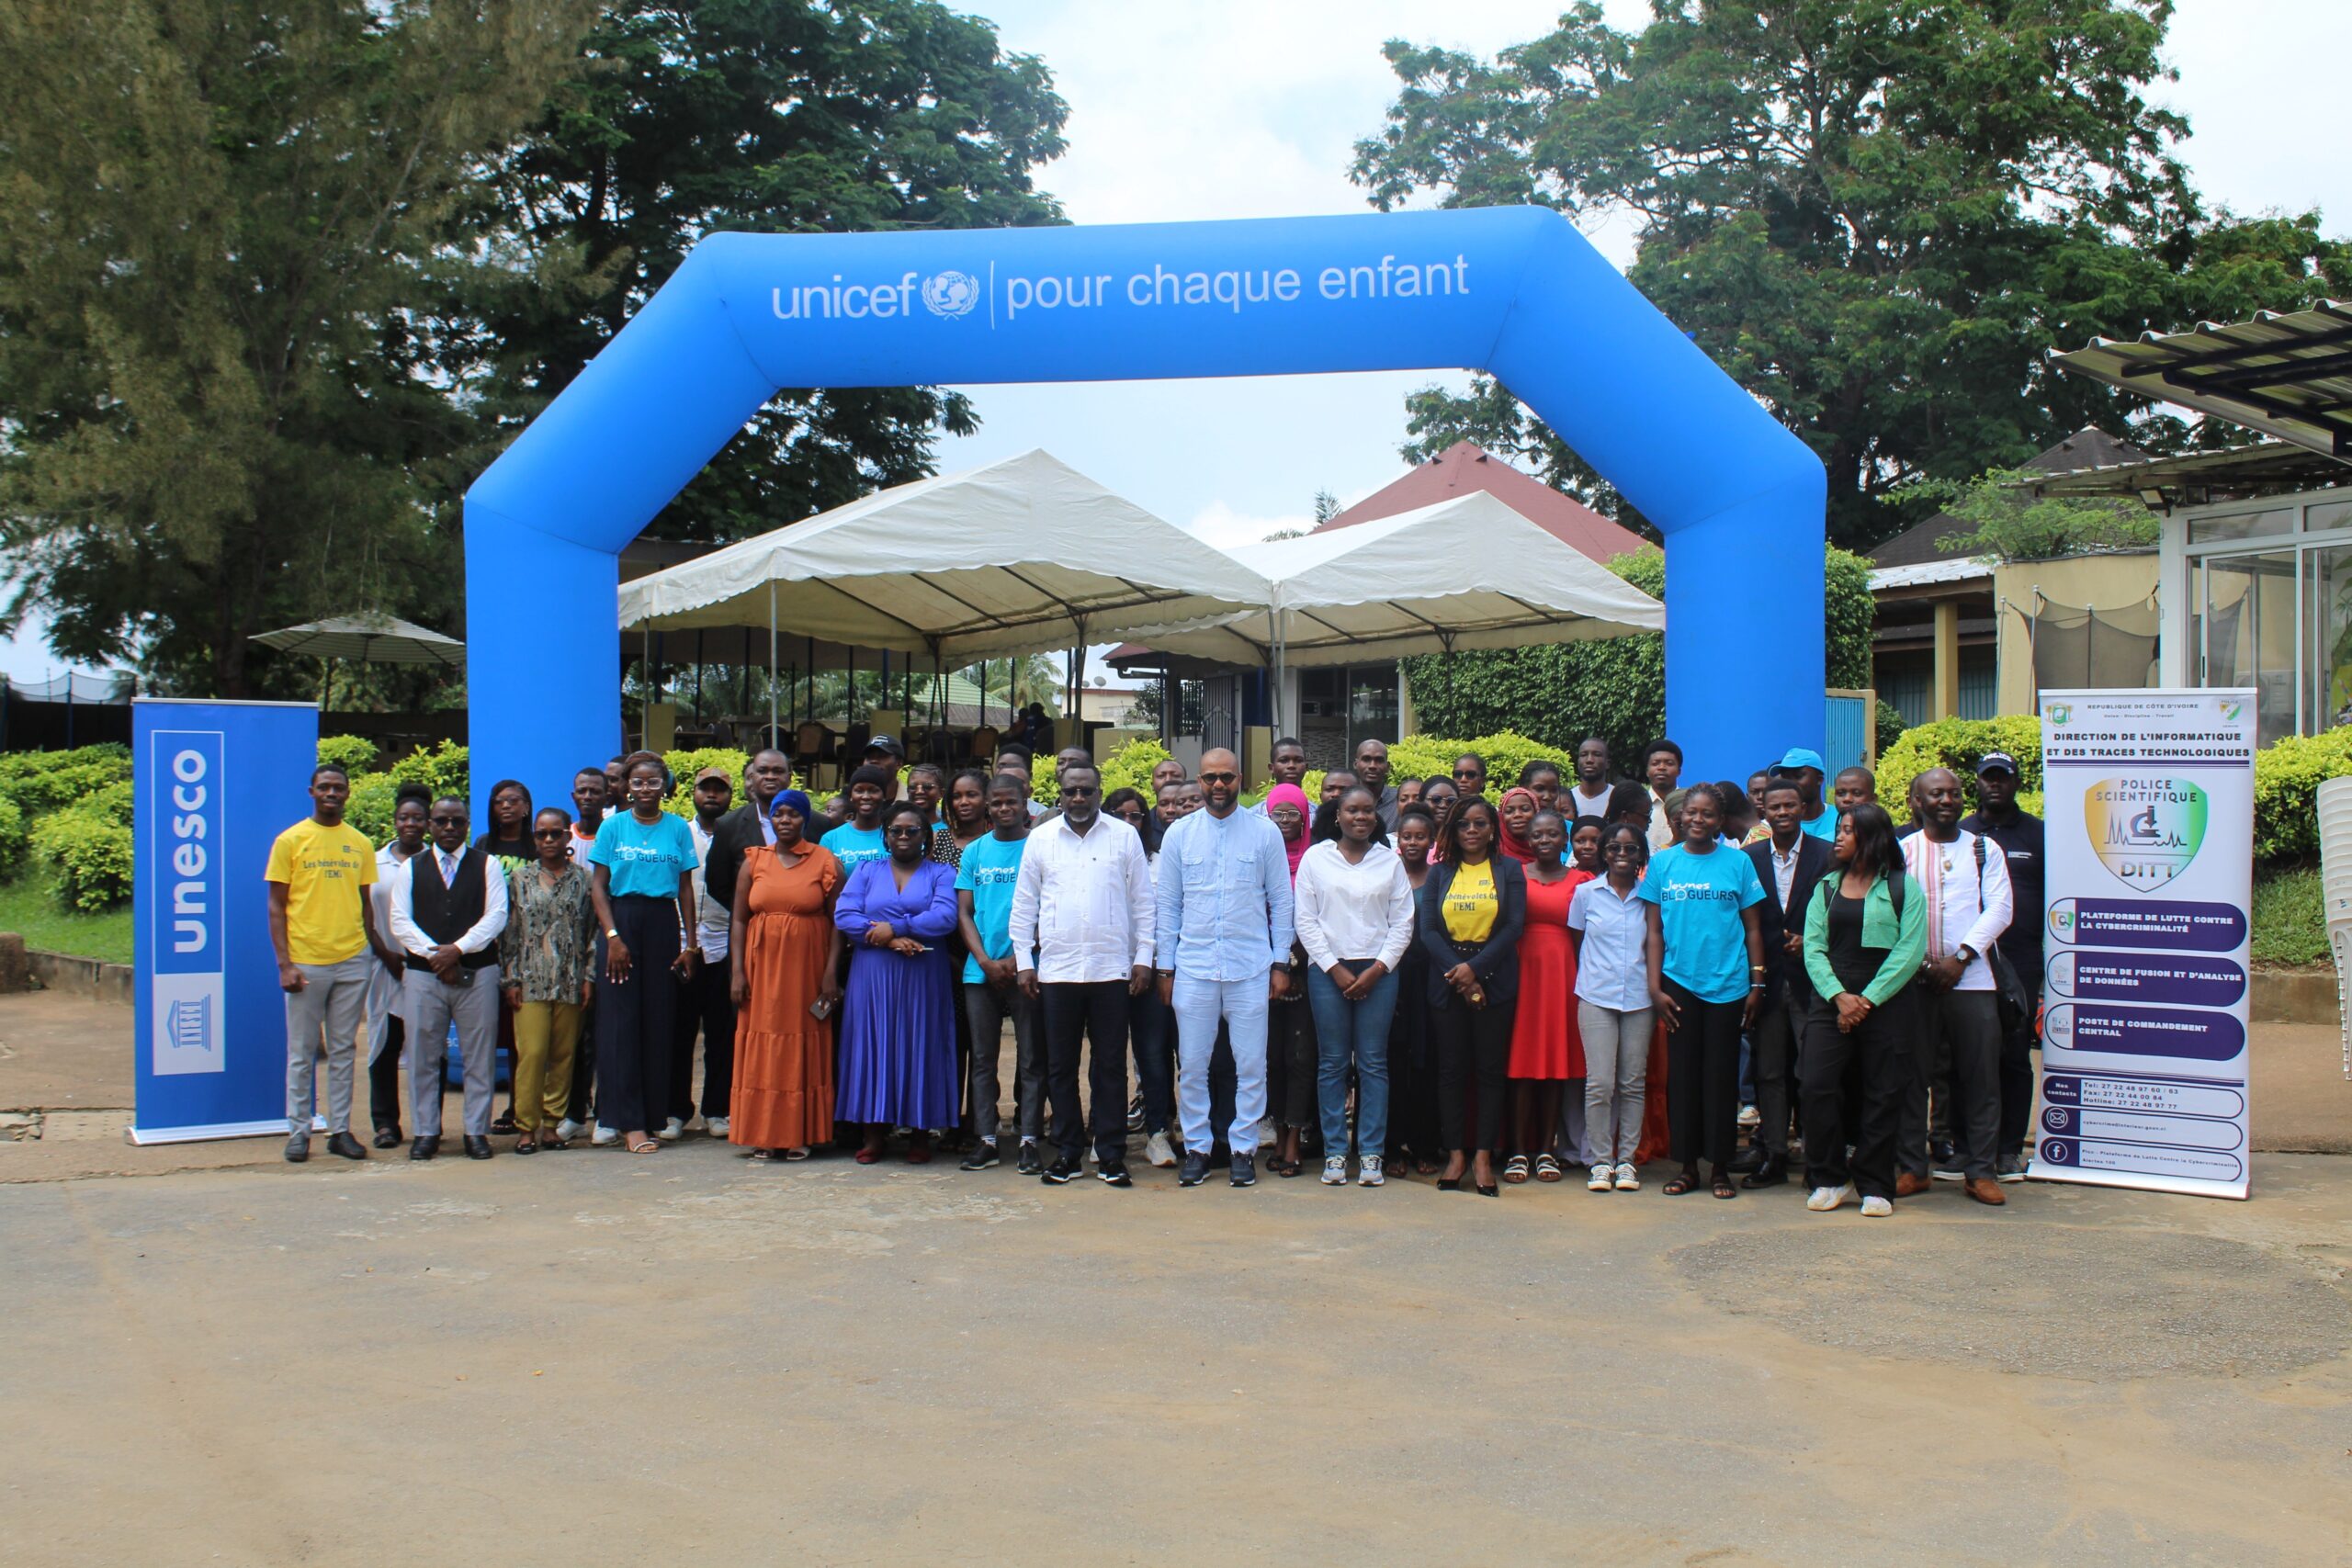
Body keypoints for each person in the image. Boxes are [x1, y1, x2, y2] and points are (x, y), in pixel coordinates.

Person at [1156, 746, 1293, 1189]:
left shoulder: (1264, 833)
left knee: (1251, 1065)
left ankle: (1242, 1149)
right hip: (1193, 967)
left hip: (1250, 967)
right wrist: (1165, 969)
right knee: (1193, 1065)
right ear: (1199, 781)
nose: (1218, 785)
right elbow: (1167, 907)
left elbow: (1281, 901)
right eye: (1210, 777)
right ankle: (1197, 1148)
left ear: (1241, 779)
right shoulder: (1179, 835)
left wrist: (1279, 961)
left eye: (1227, 778)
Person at [1012, 763, 1155, 1186]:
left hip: (1112, 971)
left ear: (1098, 793)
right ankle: (1069, 1152)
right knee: (1061, 1067)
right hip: (1057, 972)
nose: (1078, 798)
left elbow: (1143, 904)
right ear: (1059, 793)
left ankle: (1109, 1154)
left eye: (1086, 791)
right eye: (1071, 791)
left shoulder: (1123, 836)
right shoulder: (1040, 838)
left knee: (1111, 1065)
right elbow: (1024, 907)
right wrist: (1024, 962)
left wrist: (1143, 957)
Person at [1640, 781, 1767, 1200]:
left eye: (1707, 814)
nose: (1698, 820)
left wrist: (1756, 981)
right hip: (1678, 986)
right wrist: (1655, 986)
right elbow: (1654, 930)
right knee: (1683, 1080)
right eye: (1691, 813)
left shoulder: (1738, 863)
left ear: (1720, 820)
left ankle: (1720, 1169)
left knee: (1720, 1080)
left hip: (1728, 986)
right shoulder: (1662, 864)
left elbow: (1752, 927)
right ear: (1679, 817)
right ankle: (1688, 1166)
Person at [266, 761, 396, 1164]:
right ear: (311, 792)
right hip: (306, 963)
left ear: (348, 793)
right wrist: (284, 964)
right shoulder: (290, 841)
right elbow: (276, 906)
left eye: (338, 788)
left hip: (352, 960)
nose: (331, 794)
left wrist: (367, 949)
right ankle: (299, 1131)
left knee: (343, 1050)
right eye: (324, 787)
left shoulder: (358, 843)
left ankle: (339, 1130)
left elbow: (365, 905)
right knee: (302, 1052)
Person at [1800, 804, 1927, 1215]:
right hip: (1832, 996)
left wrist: (1868, 999)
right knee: (1816, 1085)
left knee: (1883, 1091)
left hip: (1886, 999)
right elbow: (1813, 948)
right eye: (1839, 828)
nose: (1838, 836)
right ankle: (1829, 1177)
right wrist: (1840, 997)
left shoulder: (1904, 888)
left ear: (1871, 838)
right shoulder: (1826, 888)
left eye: (1849, 830)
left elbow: (1909, 952)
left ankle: (1875, 1184)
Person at [1898, 766, 2014, 1205]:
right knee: (1912, 1078)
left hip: (1974, 980)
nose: (1946, 800)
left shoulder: (1985, 849)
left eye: (1953, 793)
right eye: (1935, 794)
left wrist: (1962, 957)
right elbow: (1890, 908)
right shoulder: (1902, 851)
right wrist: (1924, 962)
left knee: (1980, 1078)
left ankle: (1980, 1171)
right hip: (1916, 980)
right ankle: (1913, 1168)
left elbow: (2001, 909)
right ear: (1915, 802)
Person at [1294, 784, 1415, 1187]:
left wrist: (1377, 969)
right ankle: (1333, 1153)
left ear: (1376, 818)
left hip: (1379, 973)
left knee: (1373, 1063)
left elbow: (1403, 922)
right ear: (1338, 815)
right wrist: (1334, 968)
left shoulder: (1389, 861)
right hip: (1329, 971)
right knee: (1331, 1064)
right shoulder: (1316, 858)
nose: (1361, 817)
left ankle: (1371, 1154)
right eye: (1352, 811)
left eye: (1367, 812)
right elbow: (1305, 920)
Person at [834, 802, 961, 1164]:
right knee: (874, 1046)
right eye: (896, 831)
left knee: (921, 1044)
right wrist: (888, 939)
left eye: (912, 831)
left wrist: (899, 927)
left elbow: (945, 917)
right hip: (873, 972)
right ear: (885, 836)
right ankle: (874, 1134)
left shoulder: (940, 873)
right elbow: (845, 914)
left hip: (923, 972)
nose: (904, 837)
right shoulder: (866, 870)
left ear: (925, 836)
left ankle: (920, 1134)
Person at [390, 794, 512, 1161]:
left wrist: (456, 949)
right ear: (430, 824)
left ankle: (476, 1131)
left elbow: (496, 916)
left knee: (478, 1057)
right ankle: (426, 1131)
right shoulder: (412, 867)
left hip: (477, 973)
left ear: (467, 825)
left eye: (457, 822)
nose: (449, 828)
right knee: (423, 1055)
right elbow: (399, 920)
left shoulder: (487, 865)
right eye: (441, 821)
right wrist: (435, 954)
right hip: (424, 976)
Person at [587, 755, 698, 1156]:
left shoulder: (678, 828)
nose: (646, 788)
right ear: (626, 786)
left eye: (654, 781)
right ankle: (627, 1121)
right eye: (639, 781)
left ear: (664, 785)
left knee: (658, 1020)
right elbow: (598, 887)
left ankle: (653, 1115)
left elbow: (685, 888)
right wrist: (613, 936)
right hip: (622, 921)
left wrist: (690, 944)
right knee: (621, 1023)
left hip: (662, 925)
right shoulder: (612, 827)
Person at [727, 789, 842, 1160]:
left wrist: (830, 973)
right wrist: (737, 972)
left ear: (805, 820)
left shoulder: (824, 861)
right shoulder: (754, 861)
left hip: (805, 969)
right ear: (771, 819)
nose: (786, 821)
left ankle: (798, 1134)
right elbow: (739, 919)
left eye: (794, 814)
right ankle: (763, 1133)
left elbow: (838, 922)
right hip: (760, 971)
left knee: (800, 1045)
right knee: (763, 1046)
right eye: (779, 815)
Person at [1418, 797, 1524, 1196]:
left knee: (1490, 1071)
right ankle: (1456, 1154)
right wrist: (1460, 975)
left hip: (1494, 978)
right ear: (1454, 830)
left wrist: (1476, 971)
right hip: (1447, 978)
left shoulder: (1509, 869)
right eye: (1464, 824)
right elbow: (1428, 930)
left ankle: (1482, 1156)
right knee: (1450, 1071)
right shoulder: (1439, 871)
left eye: (1480, 823)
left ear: (1492, 829)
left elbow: (1514, 926)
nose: (1472, 831)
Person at [1735, 779, 1835, 1187]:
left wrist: (1811, 940)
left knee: (1813, 1075)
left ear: (1802, 806)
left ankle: (1818, 1160)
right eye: (1774, 806)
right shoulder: (1749, 857)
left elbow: (1841, 909)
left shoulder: (1827, 854)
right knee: (1770, 1072)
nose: (1781, 812)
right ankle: (1774, 1155)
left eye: (1789, 805)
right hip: (1768, 981)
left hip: (1814, 981)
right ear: (1764, 811)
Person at [1960, 750, 2043, 1180]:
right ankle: (1963, 1148)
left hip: (2021, 964)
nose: (1995, 785)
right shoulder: (1959, 833)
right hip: (1967, 964)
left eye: (2003, 778)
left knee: (2012, 1058)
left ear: (2016, 782)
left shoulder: (2037, 835)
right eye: (1987, 778)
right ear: (1976, 783)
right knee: (1964, 1057)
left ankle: (2008, 1150)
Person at [956, 774, 1045, 1173]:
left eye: (1011, 801)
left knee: (1030, 1057)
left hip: (1029, 969)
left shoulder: (1040, 847)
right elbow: (964, 912)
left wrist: (1019, 957)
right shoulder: (974, 851)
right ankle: (987, 1138)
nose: (1004, 809)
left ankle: (1028, 1138)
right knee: (984, 1057)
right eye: (997, 803)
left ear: (1026, 801)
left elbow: (1050, 906)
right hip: (981, 971)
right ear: (988, 807)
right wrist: (987, 961)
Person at [499, 807, 595, 1153]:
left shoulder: (584, 880)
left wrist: (589, 977)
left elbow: (592, 932)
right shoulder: (519, 880)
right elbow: (509, 934)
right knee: (533, 1053)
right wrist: (510, 980)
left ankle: (552, 1125)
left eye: (556, 833)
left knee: (564, 1055)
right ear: (534, 838)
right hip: (531, 980)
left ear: (568, 838)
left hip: (570, 980)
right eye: (542, 834)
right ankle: (526, 1127)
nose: (550, 839)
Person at [1569, 823, 1652, 1192]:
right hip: (1596, 996)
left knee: (1632, 1084)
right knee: (1600, 1083)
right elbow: (1577, 942)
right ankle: (1601, 1162)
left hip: (1639, 999)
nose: (1622, 854)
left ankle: (1627, 1162)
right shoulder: (1585, 894)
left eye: (1631, 849)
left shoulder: (1650, 897)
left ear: (1641, 856)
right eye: (1614, 848)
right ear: (1603, 853)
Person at [1505, 808, 1585, 1184]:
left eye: (1552, 834)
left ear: (1565, 838)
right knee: (1521, 1064)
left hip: (1563, 974)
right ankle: (1519, 1150)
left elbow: (1587, 939)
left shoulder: (1582, 880)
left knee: (1555, 1065)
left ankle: (1548, 1150)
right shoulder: (1513, 875)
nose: (1544, 841)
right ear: (1528, 840)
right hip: (1522, 973)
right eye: (1537, 835)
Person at [667, 765, 737, 1140]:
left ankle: (717, 1109)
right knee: (679, 1031)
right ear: (693, 793)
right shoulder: (680, 833)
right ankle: (675, 1110)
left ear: (730, 795)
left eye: (720, 790)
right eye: (705, 789)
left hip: (724, 943)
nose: (712, 796)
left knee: (721, 1033)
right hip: (682, 944)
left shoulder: (736, 833)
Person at [365, 787, 430, 1147]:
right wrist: (386, 956)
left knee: (425, 1048)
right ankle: (385, 1123)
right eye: (404, 817)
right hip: (384, 966)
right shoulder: (374, 864)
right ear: (395, 821)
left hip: (426, 970)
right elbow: (365, 915)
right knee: (384, 1045)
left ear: (428, 823)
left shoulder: (437, 862)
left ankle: (427, 1123)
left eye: (418, 818)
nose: (411, 824)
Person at [1261, 782, 1317, 1176]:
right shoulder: (1259, 855)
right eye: (1277, 814)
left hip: (1310, 973)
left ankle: (1295, 1139)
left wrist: (1294, 964)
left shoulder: (1315, 859)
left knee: (1300, 1058)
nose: (1284, 822)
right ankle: (1277, 1135)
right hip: (1259, 971)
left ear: (1305, 818)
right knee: (1271, 1060)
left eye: (1292, 814)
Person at [1386, 804, 1441, 1174]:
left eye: (1420, 836)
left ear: (1431, 840)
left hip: (1431, 980)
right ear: (1398, 840)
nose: (1413, 842)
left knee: (1427, 1064)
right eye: (1407, 836)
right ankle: (1390, 1148)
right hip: (1389, 976)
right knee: (1390, 1063)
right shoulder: (1386, 875)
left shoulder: (1441, 878)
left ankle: (1424, 1146)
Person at [820, 764, 893, 871]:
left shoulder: (897, 834)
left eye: (873, 791)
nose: (866, 797)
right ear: (851, 796)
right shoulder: (831, 839)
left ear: (884, 796)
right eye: (859, 791)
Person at [1771, 748, 1838, 841]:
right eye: (1785, 778)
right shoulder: (1776, 824)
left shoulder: (1841, 819)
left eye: (1798, 776)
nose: (1791, 784)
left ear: (1819, 780)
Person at [932, 768, 991, 867]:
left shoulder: (996, 841)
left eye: (971, 795)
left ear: (986, 799)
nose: (963, 802)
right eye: (956, 796)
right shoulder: (938, 839)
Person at [477, 779, 535, 863]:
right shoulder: (483, 843)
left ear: (527, 807)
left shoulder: (537, 843)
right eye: (498, 802)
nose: (505, 806)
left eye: (513, 800)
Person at [1644, 739, 1686, 850]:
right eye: (1655, 763)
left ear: (1679, 771)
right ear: (1647, 771)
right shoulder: (1638, 805)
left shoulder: (1690, 804)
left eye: (1669, 763)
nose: (1661, 767)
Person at [1353, 738, 1399, 830]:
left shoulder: (1399, 799)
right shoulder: (1345, 799)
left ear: (1388, 767)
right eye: (1366, 759)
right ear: (1356, 764)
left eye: (1379, 760)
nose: (1372, 766)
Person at [1566, 737, 1613, 820]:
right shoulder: (1568, 798)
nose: (1589, 760)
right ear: (1578, 762)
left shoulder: (1616, 797)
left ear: (1607, 763)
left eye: (1597, 755)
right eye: (1584, 755)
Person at [1496, 784, 1539, 863]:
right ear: (1501, 817)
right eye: (1509, 811)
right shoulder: (1495, 851)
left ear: (1536, 812)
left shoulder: (1546, 846)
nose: (1517, 815)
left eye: (1525, 809)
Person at [1419, 776, 1459, 862]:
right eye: (1436, 799)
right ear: (1421, 802)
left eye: (1451, 800)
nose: (1443, 805)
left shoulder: (1465, 842)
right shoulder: (1411, 841)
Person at [861, 733, 907, 800]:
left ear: (899, 764)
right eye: (869, 757)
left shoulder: (912, 800)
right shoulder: (851, 802)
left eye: (882, 756)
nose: (874, 761)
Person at [904, 761, 946, 827]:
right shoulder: (896, 828)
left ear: (941, 793)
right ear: (907, 791)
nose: (919, 791)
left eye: (927, 787)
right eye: (913, 787)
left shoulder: (951, 831)